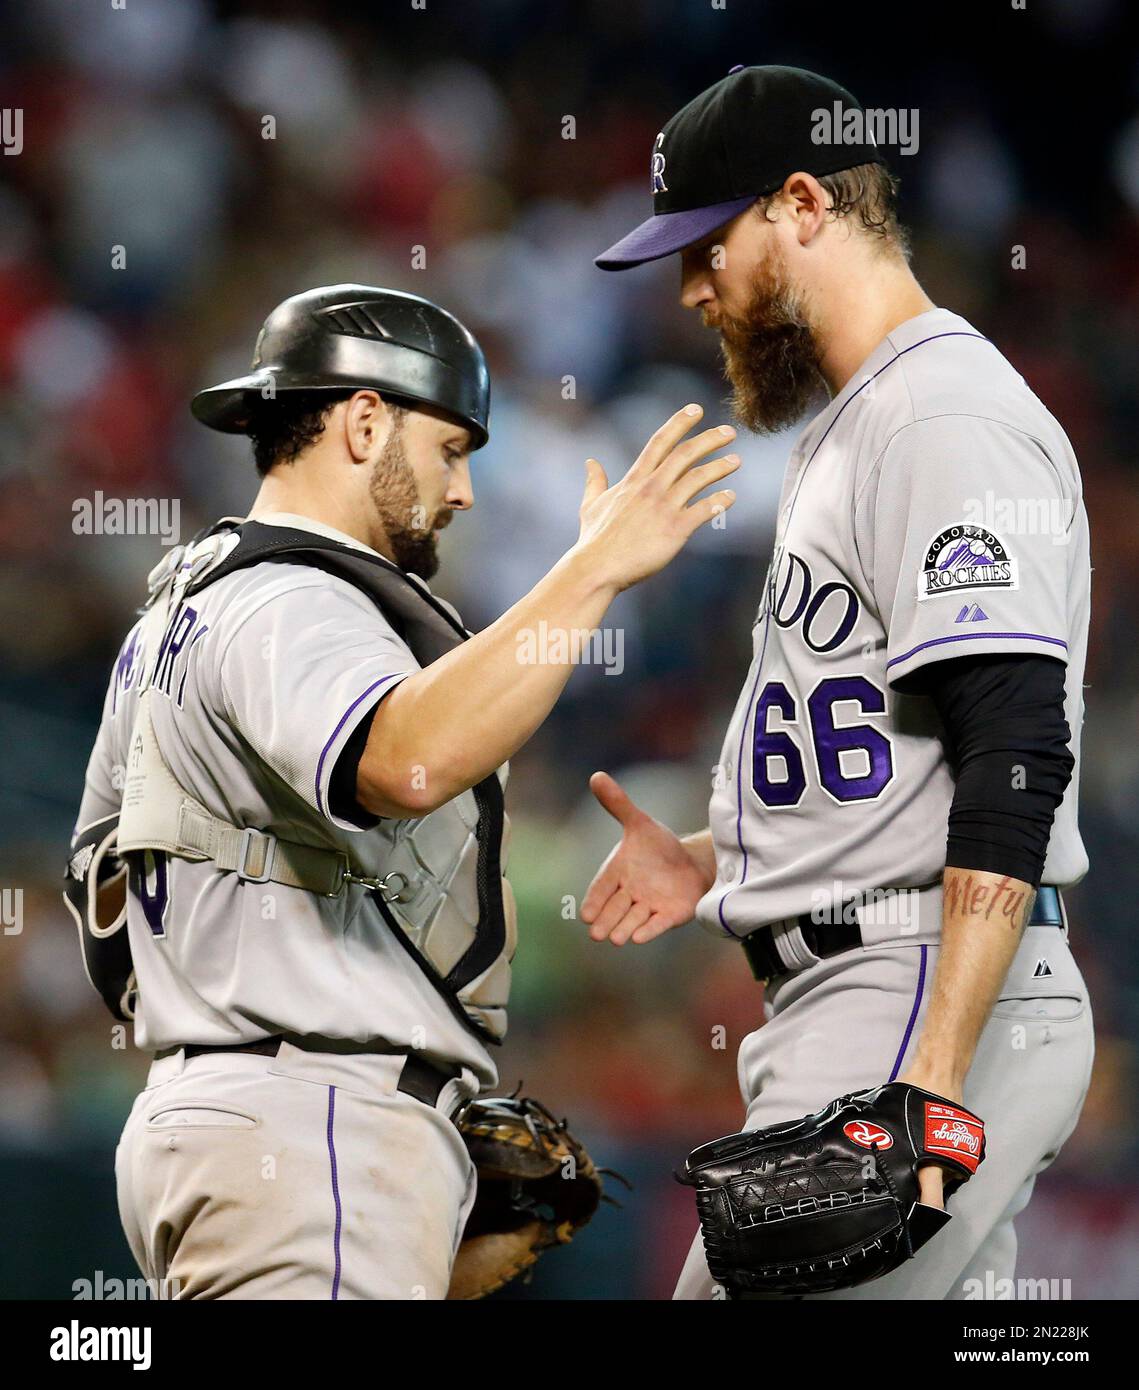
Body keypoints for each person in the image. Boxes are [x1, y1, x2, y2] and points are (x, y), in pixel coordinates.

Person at [65, 282, 739, 1299]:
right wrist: (591, 571)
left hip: (228, 1111)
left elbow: (101, 915)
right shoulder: (294, 598)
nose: (463, 490)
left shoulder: (178, 613)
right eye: (450, 449)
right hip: (305, 1119)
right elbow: (404, 761)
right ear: (364, 420)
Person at [585, 66, 1095, 1299]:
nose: (690, 287)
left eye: (707, 244)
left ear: (805, 203)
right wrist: (717, 855)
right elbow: (894, 737)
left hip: (918, 989)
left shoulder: (936, 417)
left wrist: (929, 1072)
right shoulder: (858, 423)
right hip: (869, 984)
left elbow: (1012, 749)